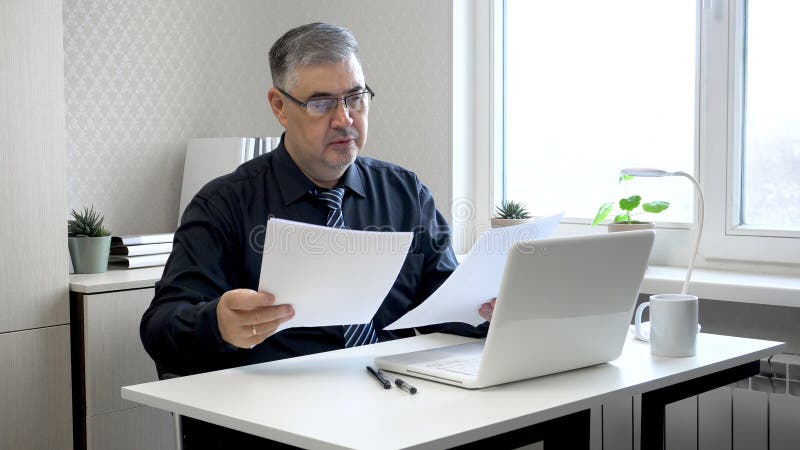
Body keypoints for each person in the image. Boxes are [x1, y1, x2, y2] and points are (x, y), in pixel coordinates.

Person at [140, 22, 494, 448]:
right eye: (322, 103)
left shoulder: (405, 193)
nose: (345, 119)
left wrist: (490, 308)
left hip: (395, 408)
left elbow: (446, 305)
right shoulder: (224, 204)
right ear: (280, 106)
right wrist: (217, 323)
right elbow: (159, 328)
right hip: (277, 423)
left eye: (356, 97)